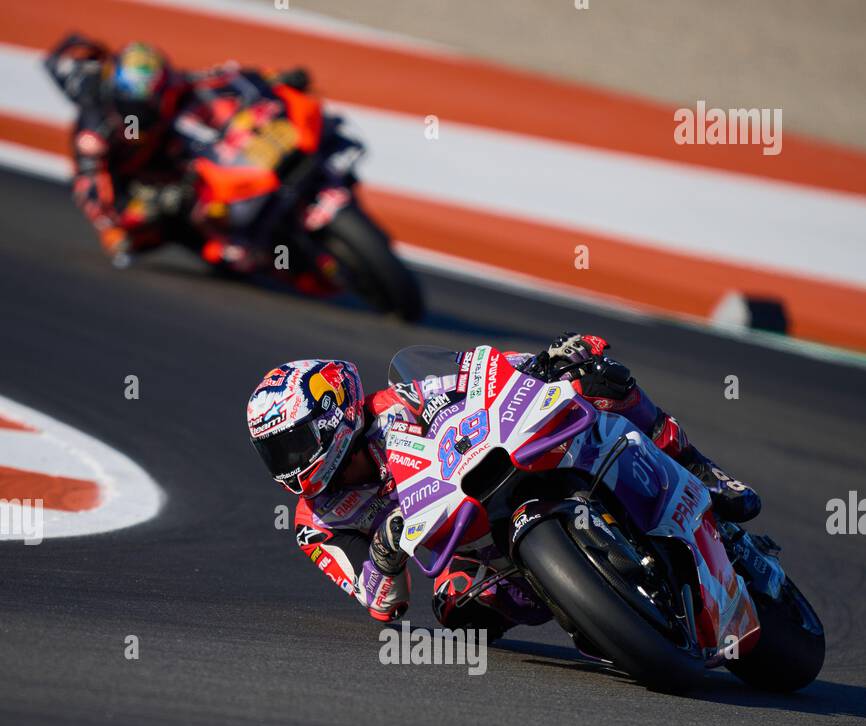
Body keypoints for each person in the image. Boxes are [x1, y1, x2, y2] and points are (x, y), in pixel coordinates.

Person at [246, 335, 761, 640]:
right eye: (276, 452)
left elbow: (485, 372)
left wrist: (549, 360)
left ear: (332, 414)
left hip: (507, 462)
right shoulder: (317, 523)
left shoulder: (399, 398)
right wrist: (383, 552)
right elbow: (383, 605)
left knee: (597, 379)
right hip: (467, 542)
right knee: (455, 608)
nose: (289, 465)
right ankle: (578, 602)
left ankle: (697, 465)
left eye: (292, 444)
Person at [45, 33, 310, 266]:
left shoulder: (173, 87)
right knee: (131, 236)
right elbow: (90, 188)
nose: (144, 113)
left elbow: (220, 77)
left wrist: (274, 78)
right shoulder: (94, 134)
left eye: (152, 101)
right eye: (138, 108)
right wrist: (123, 217)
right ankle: (237, 246)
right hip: (143, 189)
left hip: (184, 163)